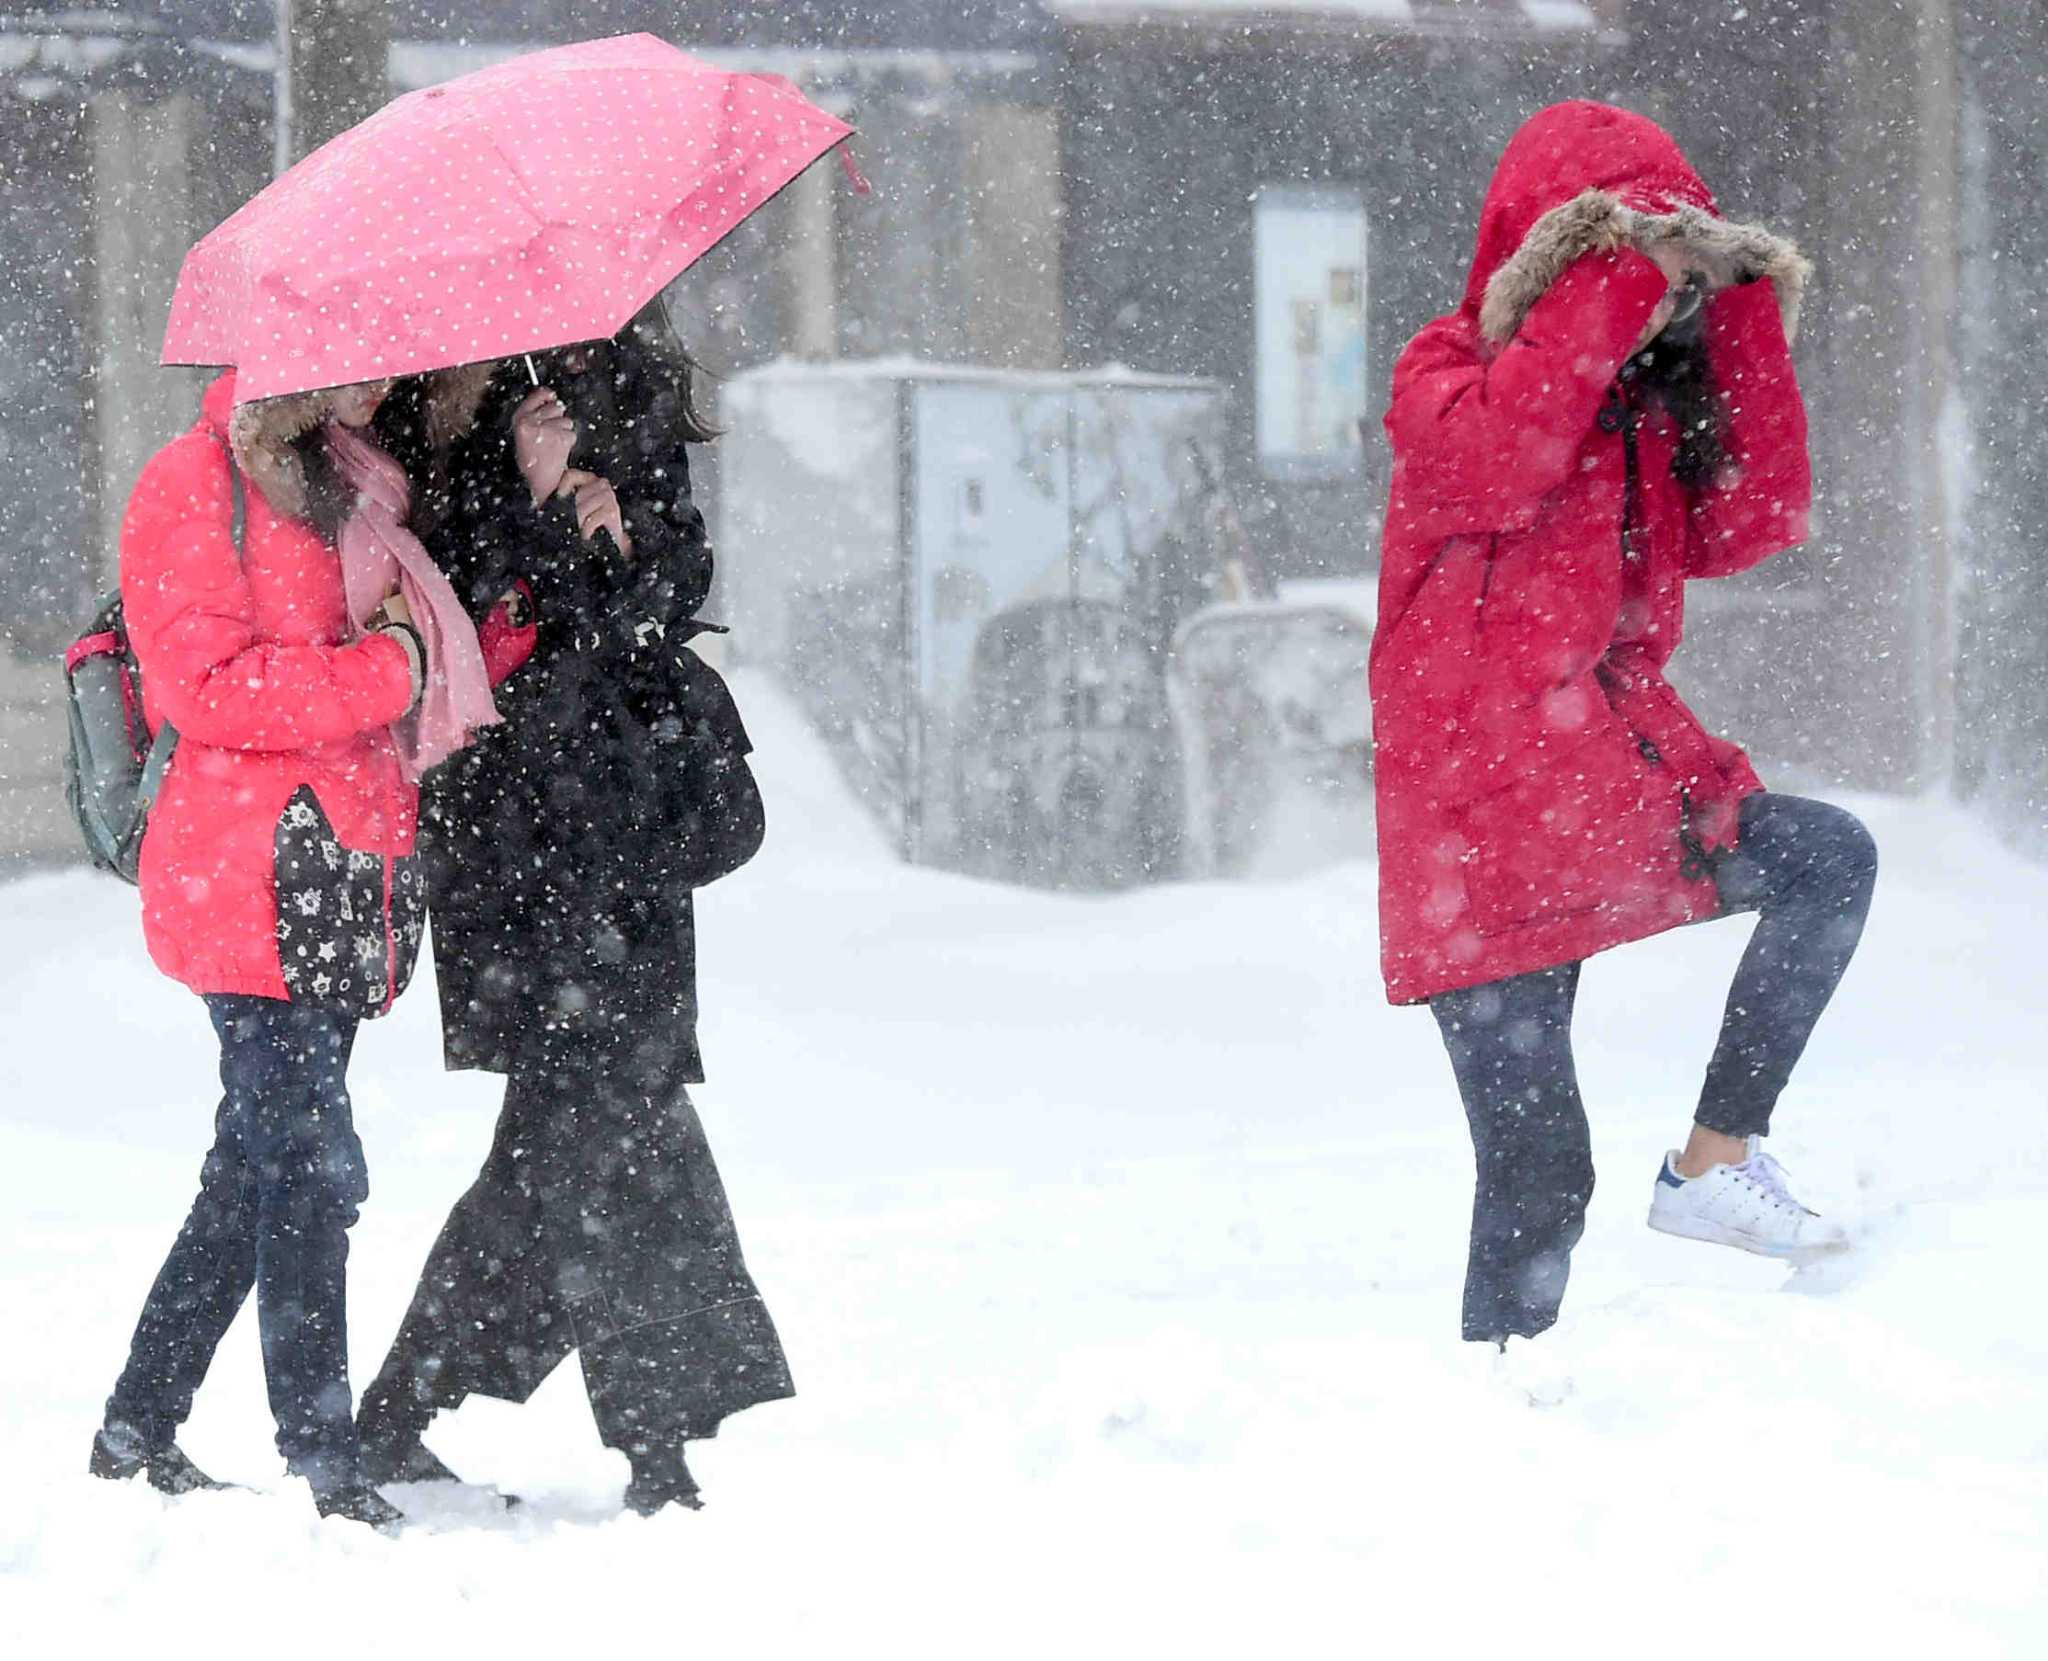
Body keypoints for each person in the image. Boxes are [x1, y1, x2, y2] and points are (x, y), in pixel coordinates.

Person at [1370, 101, 1878, 1347]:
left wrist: (1741, 300)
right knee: (1541, 1173)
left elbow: (1751, 519)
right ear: (1561, 263)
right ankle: (1502, 1397)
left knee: (1828, 858)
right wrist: (1612, 272)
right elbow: (1500, 461)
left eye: (1672, 283)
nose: (1652, 304)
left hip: (1608, 793)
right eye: (1629, 273)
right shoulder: (1444, 372)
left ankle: (1712, 1162)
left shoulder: (1641, 418)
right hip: (1477, 837)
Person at [356, 303, 793, 1515]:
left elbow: (670, 591)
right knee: (610, 1114)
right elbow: (452, 611)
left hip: (622, 813)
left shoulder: (631, 385)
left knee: (573, 1128)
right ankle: (654, 1444)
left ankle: (402, 1407)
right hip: (513, 828)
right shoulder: (439, 403)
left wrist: (612, 541)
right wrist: (537, 502)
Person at [93, 365, 496, 1526]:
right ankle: (325, 1451)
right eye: (351, 360)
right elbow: (207, 689)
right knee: (309, 1166)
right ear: (290, 364)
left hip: (337, 868)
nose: (378, 379)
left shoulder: (357, 488)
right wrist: (390, 670)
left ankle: (136, 1423)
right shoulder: (194, 483)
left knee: (256, 1169)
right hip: (244, 872)